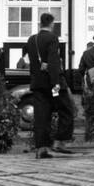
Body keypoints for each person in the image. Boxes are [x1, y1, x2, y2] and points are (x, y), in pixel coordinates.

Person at [23, 12, 64, 159]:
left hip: (36, 82)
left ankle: (40, 147)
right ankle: (55, 142)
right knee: (61, 109)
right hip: (49, 82)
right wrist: (56, 83)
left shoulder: (31, 39)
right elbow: (53, 61)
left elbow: (28, 60)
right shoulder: (52, 38)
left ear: (40, 23)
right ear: (52, 24)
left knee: (40, 116)